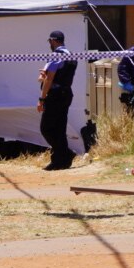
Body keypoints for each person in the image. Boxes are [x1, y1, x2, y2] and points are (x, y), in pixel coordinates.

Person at [37, 30, 78, 170]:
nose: (50, 44)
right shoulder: (71, 55)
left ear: (53, 41)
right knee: (59, 128)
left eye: (50, 41)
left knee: (46, 128)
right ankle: (60, 161)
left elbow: (49, 79)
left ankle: (65, 154)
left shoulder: (55, 55)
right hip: (66, 94)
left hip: (55, 95)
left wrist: (41, 98)